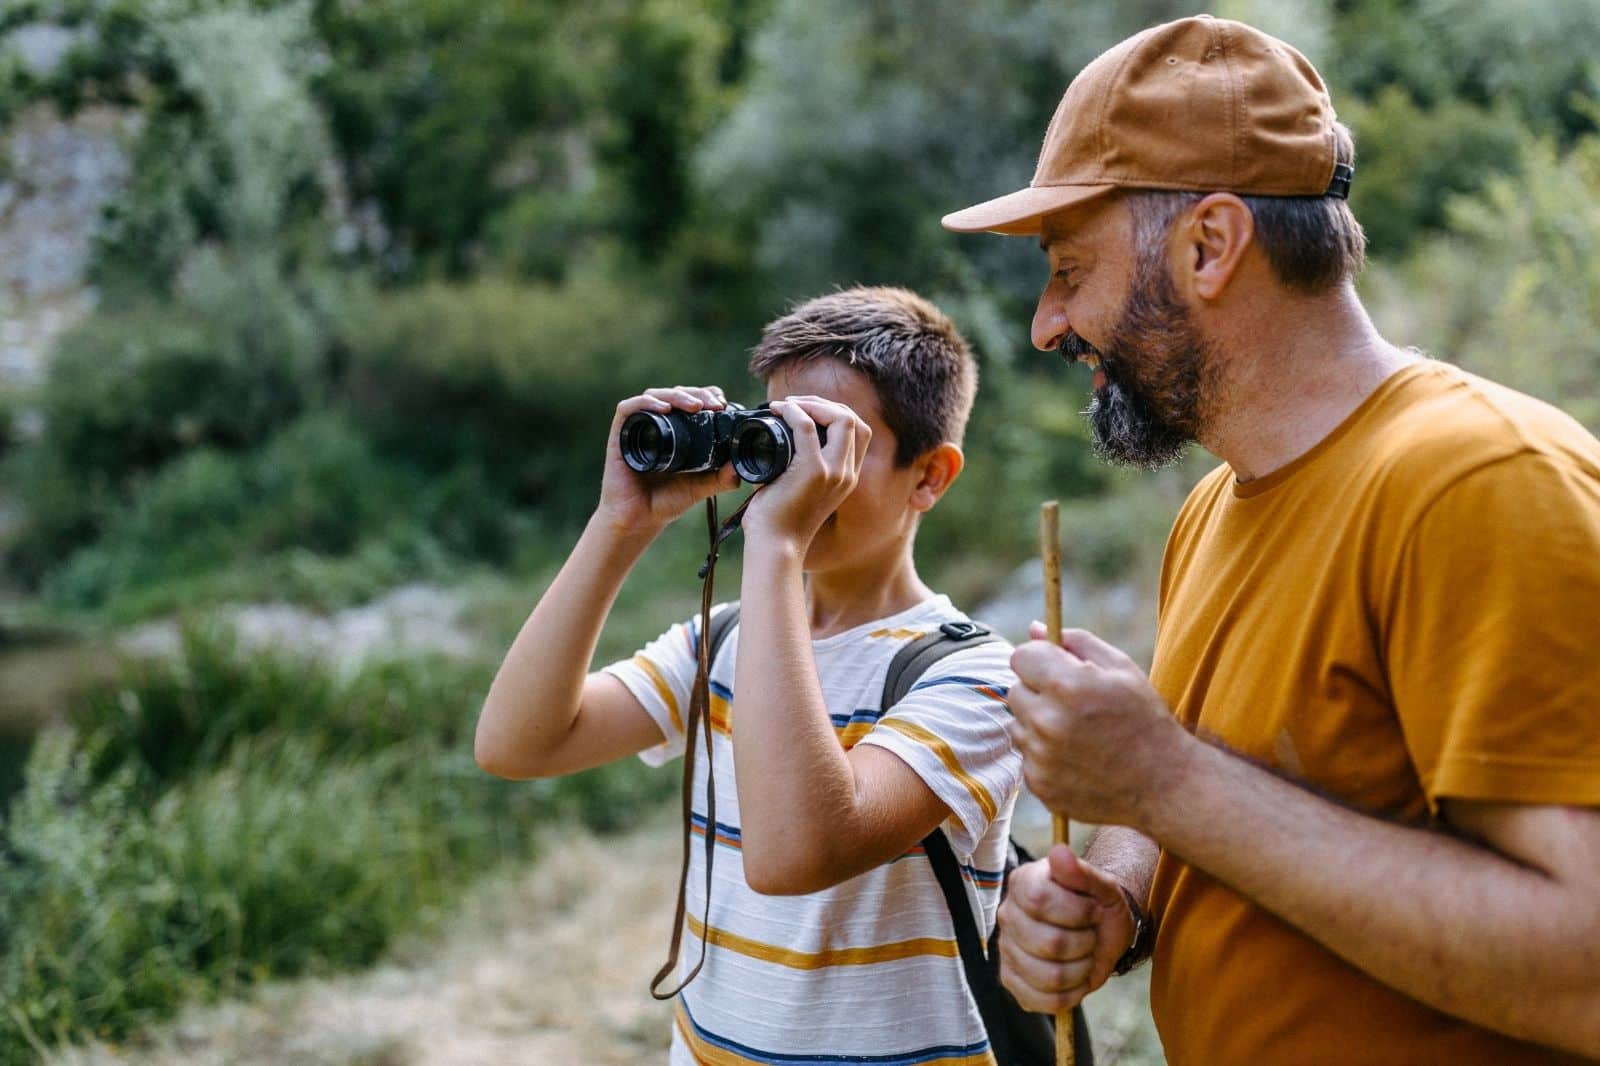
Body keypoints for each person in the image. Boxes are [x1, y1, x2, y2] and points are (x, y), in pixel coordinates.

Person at [941, 14, 1600, 1065]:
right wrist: (1116, 893)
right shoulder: (1215, 507)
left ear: (1209, 245)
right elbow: (1235, 795)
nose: (1046, 324)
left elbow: (1585, 969)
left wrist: (1160, 778)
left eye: (1069, 269)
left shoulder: (1477, 482)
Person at [474, 286, 1024, 1065]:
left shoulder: (974, 676)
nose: (790, 472)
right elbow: (518, 743)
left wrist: (775, 547)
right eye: (776, 434)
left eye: (828, 440)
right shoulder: (726, 639)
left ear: (928, 476)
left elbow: (792, 853)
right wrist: (620, 524)